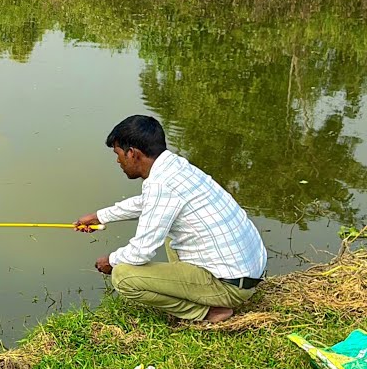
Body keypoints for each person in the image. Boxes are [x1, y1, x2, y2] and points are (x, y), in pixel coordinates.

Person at [74, 115, 266, 323]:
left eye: (118, 153)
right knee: (168, 234)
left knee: (124, 276)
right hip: (248, 272)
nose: (117, 160)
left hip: (231, 286)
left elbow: (140, 252)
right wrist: (100, 216)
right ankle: (203, 294)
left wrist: (110, 261)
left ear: (132, 153)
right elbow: (148, 203)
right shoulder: (175, 167)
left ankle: (208, 312)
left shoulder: (161, 186)